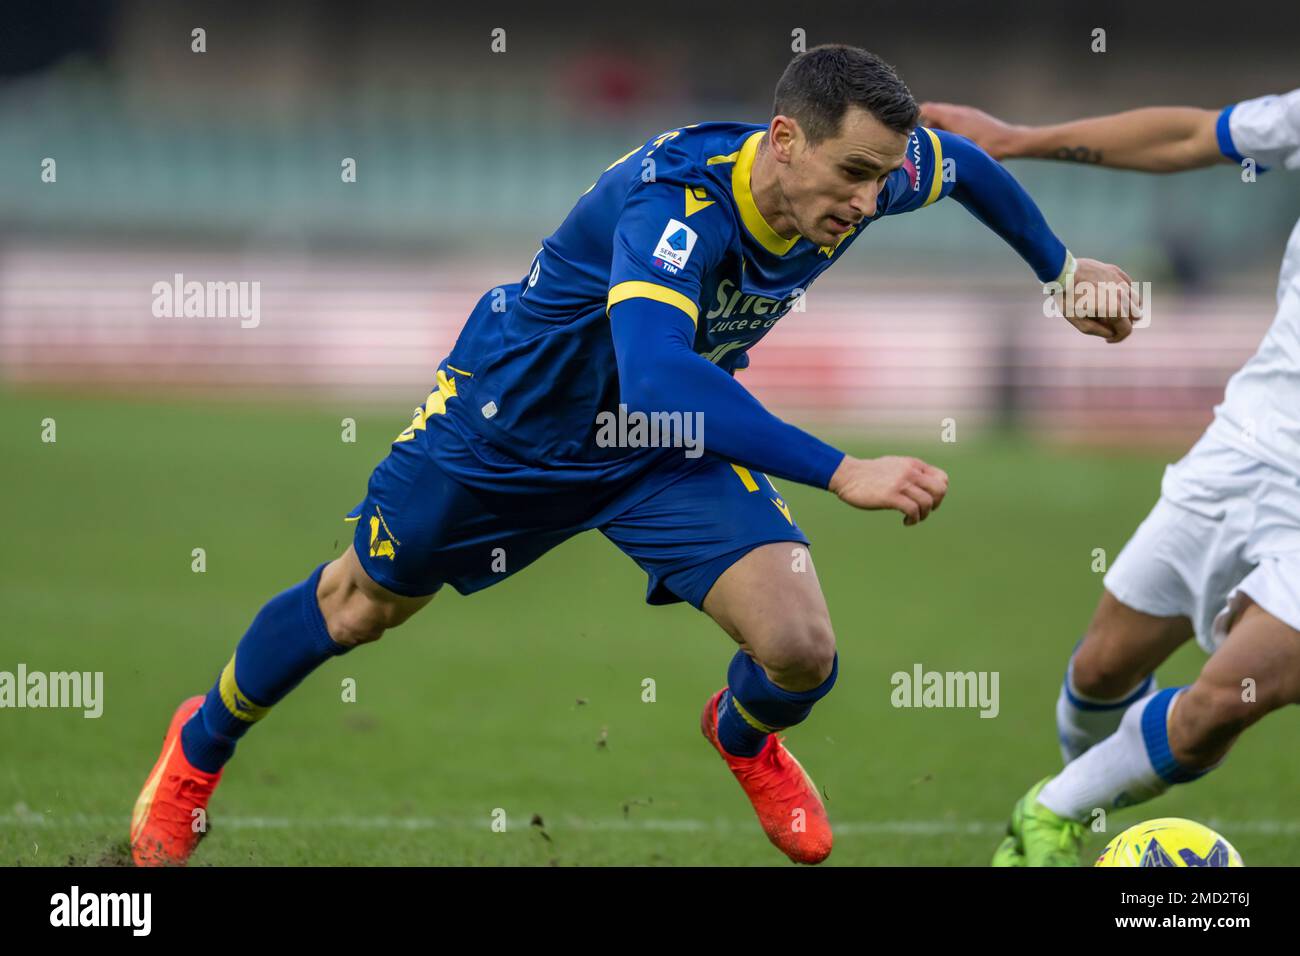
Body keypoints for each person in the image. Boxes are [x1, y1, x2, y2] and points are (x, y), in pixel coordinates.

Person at [129, 45, 1135, 867]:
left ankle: (740, 734)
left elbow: (962, 164)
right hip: (506, 432)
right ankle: (198, 747)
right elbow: (656, 374)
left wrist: (1059, 271)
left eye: (881, 177)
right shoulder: (675, 206)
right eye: (854, 176)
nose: (870, 202)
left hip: (655, 449)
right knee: (361, 605)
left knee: (801, 648)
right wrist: (841, 469)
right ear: (783, 142)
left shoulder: (870, 170)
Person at [922, 89, 1300, 865]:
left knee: (1225, 699)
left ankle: (1048, 818)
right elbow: (1192, 134)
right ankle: (1092, 802)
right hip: (1246, 447)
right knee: (1102, 669)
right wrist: (1018, 136)